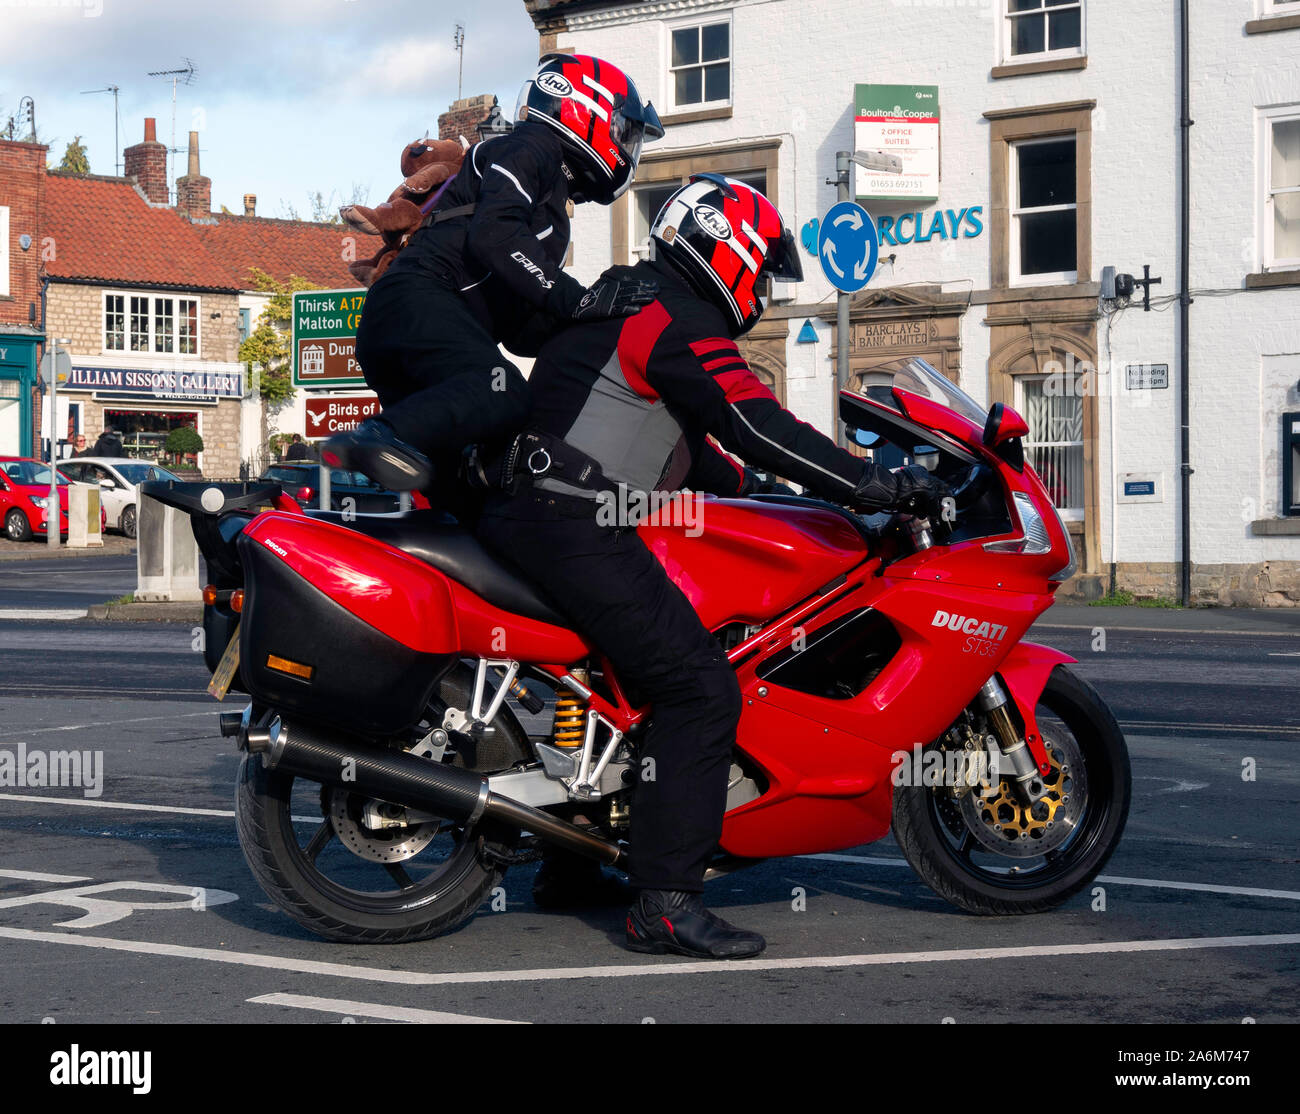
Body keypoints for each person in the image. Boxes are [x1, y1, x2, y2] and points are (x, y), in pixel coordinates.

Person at [475, 175, 951, 959]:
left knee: (614, 689)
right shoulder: (675, 317)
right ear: (727, 252)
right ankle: (665, 904)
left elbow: (682, 442)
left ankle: (569, 865)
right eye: (760, 268)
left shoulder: (629, 303)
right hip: (573, 524)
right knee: (698, 688)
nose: (762, 288)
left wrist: (763, 492)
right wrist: (876, 482)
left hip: (537, 512)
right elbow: (752, 420)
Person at [322, 54, 664, 513]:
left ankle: (422, 535)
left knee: (464, 502)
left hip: (411, 324)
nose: (627, 148)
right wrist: (576, 299)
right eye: (623, 131)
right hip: (421, 302)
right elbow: (494, 236)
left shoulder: (552, 199)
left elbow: (518, 327)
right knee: (500, 389)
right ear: (585, 111)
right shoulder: (532, 147)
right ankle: (377, 436)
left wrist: (591, 322)